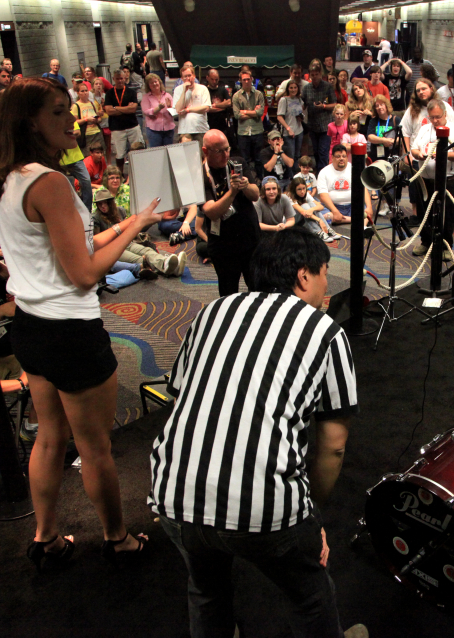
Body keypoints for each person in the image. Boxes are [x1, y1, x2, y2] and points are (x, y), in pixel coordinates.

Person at [0, 77, 160, 570]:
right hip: (71, 332)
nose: (71, 120)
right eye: (57, 113)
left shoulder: (11, 178)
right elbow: (82, 274)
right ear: (28, 122)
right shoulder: (50, 182)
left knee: (49, 437)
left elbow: (68, 252)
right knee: (94, 446)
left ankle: (47, 538)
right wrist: (132, 235)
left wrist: (132, 224)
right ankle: (117, 538)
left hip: (32, 327)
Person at [150, 227, 365, 638]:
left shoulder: (212, 312)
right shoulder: (325, 332)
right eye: (324, 271)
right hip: (265, 509)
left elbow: (180, 397)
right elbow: (333, 447)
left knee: (206, 592)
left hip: (172, 494)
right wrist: (309, 515)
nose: (327, 283)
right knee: (309, 596)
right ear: (304, 276)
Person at [194, 129, 260, 296]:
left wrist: (245, 186)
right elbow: (211, 212)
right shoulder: (199, 175)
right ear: (205, 151)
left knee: (258, 288)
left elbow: (255, 194)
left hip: (250, 238)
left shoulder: (237, 163)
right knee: (228, 293)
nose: (225, 155)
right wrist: (232, 192)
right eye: (219, 151)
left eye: (227, 149)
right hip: (223, 245)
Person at [92, 188, 181, 276]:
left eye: (105, 203)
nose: (103, 206)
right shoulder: (96, 218)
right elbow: (98, 244)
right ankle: (167, 267)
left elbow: (131, 228)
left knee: (147, 250)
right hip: (112, 248)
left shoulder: (119, 211)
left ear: (110, 203)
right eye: (100, 204)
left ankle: (167, 263)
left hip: (127, 241)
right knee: (138, 259)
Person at [410, 99, 454, 261]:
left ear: (445, 114)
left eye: (438, 117)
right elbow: (414, 149)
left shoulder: (453, 130)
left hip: (446, 179)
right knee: (425, 212)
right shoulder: (424, 129)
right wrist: (418, 155)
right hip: (425, 179)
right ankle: (426, 241)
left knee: (446, 213)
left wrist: (442, 154)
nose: (435, 120)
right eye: (432, 117)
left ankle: (446, 245)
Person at [316, 144, 373, 225]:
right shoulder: (324, 172)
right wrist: (335, 211)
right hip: (332, 207)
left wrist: (369, 207)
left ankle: (359, 224)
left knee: (366, 213)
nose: (341, 159)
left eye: (344, 156)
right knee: (324, 215)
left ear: (347, 157)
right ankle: (357, 220)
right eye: (338, 156)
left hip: (352, 205)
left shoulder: (354, 169)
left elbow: (363, 189)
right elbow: (323, 195)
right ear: (332, 157)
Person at [104, 69, 142, 175]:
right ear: (113, 79)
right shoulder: (110, 93)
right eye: (117, 79)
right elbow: (109, 111)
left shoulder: (131, 92)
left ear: (124, 78)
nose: (119, 81)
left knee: (137, 150)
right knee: (120, 153)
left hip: (132, 126)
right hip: (117, 128)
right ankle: (120, 175)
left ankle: (138, 172)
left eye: (121, 78)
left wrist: (116, 107)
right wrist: (125, 109)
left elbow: (133, 109)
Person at [303, 61, 336, 173]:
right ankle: (319, 172)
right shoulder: (306, 88)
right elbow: (302, 104)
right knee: (316, 152)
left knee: (323, 151)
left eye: (316, 74)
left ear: (320, 74)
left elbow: (335, 104)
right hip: (312, 125)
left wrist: (324, 106)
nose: (315, 76)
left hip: (325, 125)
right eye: (312, 75)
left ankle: (322, 174)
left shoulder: (328, 87)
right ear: (309, 75)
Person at [288, 175, 337, 242]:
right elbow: (303, 212)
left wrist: (312, 209)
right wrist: (319, 220)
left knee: (312, 204)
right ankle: (318, 232)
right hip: (291, 222)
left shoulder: (306, 194)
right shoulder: (290, 197)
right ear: (294, 190)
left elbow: (320, 206)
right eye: (299, 189)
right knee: (305, 206)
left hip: (303, 220)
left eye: (304, 188)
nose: (302, 191)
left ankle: (327, 229)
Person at [232, 70, 265, 169]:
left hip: (257, 131)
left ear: (252, 79)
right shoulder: (236, 96)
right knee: (244, 160)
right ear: (240, 81)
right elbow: (237, 115)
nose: (246, 82)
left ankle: (259, 179)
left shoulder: (259, 94)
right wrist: (253, 113)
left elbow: (260, 112)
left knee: (259, 159)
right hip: (243, 132)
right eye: (244, 80)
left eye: (248, 79)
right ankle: (248, 181)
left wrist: (245, 112)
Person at [172, 66, 210, 141]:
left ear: (194, 76)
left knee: (201, 151)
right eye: (185, 76)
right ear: (182, 78)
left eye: (189, 75)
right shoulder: (178, 90)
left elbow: (206, 107)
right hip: (185, 130)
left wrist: (188, 110)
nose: (188, 78)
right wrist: (184, 91)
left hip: (201, 129)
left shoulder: (203, 88)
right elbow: (178, 109)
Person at [141, 72, 175, 148]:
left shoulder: (167, 95)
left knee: (169, 151)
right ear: (148, 86)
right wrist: (158, 108)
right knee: (157, 153)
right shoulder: (146, 97)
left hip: (168, 128)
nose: (154, 84)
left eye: (155, 81)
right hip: (154, 130)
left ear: (159, 82)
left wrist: (169, 107)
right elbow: (146, 111)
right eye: (151, 83)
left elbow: (174, 111)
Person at [276, 79, 305, 164]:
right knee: (290, 156)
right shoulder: (283, 100)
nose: (293, 90)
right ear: (288, 89)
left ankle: (296, 174)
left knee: (297, 155)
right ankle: (290, 175)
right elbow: (279, 117)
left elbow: (301, 111)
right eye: (291, 88)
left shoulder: (299, 99)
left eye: (295, 87)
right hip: (289, 132)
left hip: (299, 130)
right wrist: (288, 128)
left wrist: (301, 117)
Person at [71, 82, 103, 156]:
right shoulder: (76, 106)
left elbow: (99, 117)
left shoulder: (92, 103)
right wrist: (86, 120)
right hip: (86, 134)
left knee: (99, 154)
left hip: (96, 132)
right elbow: (75, 122)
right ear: (78, 93)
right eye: (82, 91)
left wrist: (97, 120)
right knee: (88, 155)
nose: (85, 93)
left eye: (86, 90)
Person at [366, 95, 397, 163]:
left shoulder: (395, 120)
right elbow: (370, 137)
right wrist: (384, 141)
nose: (379, 107)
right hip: (376, 157)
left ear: (386, 106)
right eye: (377, 106)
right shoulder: (373, 121)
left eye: (381, 104)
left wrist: (391, 142)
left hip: (391, 157)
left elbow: (401, 138)